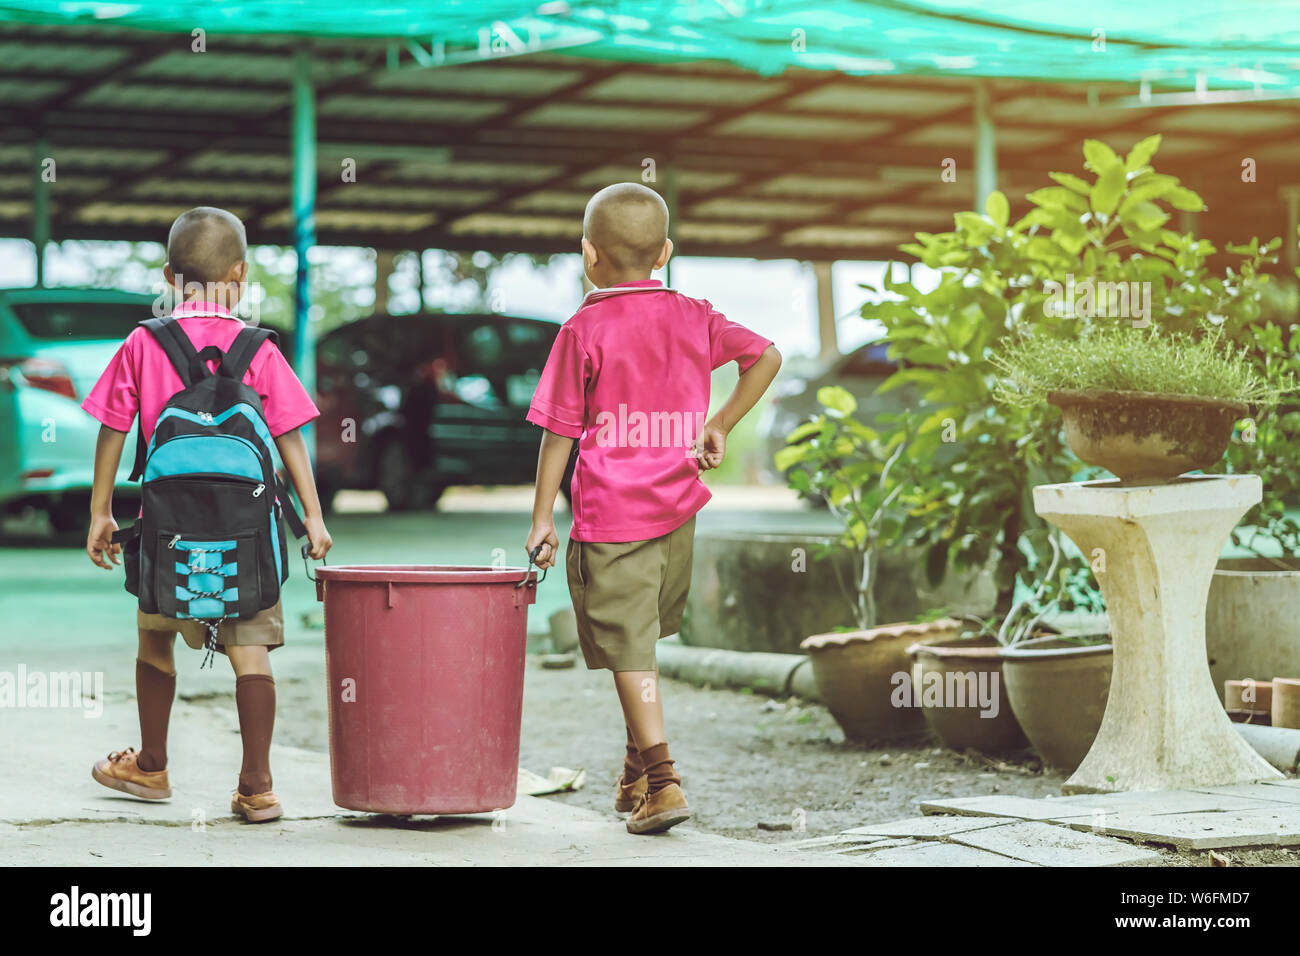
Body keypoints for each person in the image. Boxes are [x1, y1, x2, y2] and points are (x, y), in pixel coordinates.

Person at [525, 182, 782, 834]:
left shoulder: (583, 329)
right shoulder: (694, 313)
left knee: (628, 652)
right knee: (641, 644)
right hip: (679, 513)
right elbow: (767, 355)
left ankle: (664, 782)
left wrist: (541, 519)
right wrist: (720, 422)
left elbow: (559, 431)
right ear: (664, 251)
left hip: (612, 518)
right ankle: (636, 768)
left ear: (590, 256)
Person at [81, 206, 332, 823]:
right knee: (252, 647)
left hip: (167, 530)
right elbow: (291, 436)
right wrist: (315, 518)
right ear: (241, 275)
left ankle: (153, 766)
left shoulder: (144, 342)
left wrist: (100, 512)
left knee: (155, 634)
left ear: (169, 274)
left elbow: (113, 429)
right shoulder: (260, 348)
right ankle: (257, 785)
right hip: (248, 531)